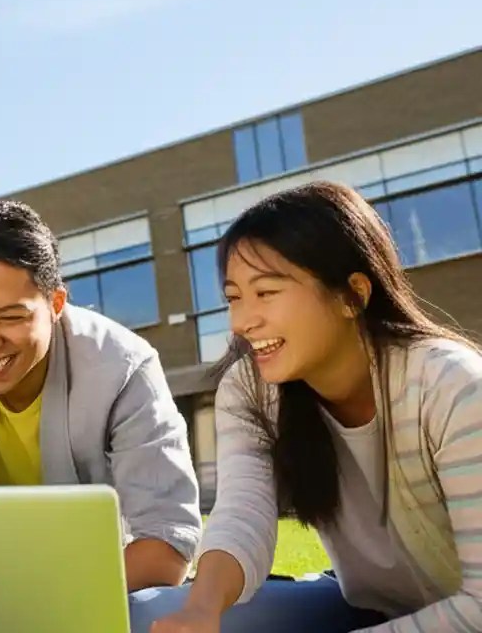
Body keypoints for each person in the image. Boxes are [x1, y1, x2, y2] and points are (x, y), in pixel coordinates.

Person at [132, 180, 482, 632]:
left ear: (352, 294)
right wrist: (202, 609)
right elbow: (243, 512)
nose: (242, 322)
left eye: (266, 292)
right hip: (371, 608)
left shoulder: (450, 384)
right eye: (234, 297)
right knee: (149, 614)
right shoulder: (252, 390)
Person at [0, 200, 203, 594]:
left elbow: (167, 545)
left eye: (11, 317)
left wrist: (32, 604)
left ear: (56, 304)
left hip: (98, 584)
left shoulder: (124, 367)